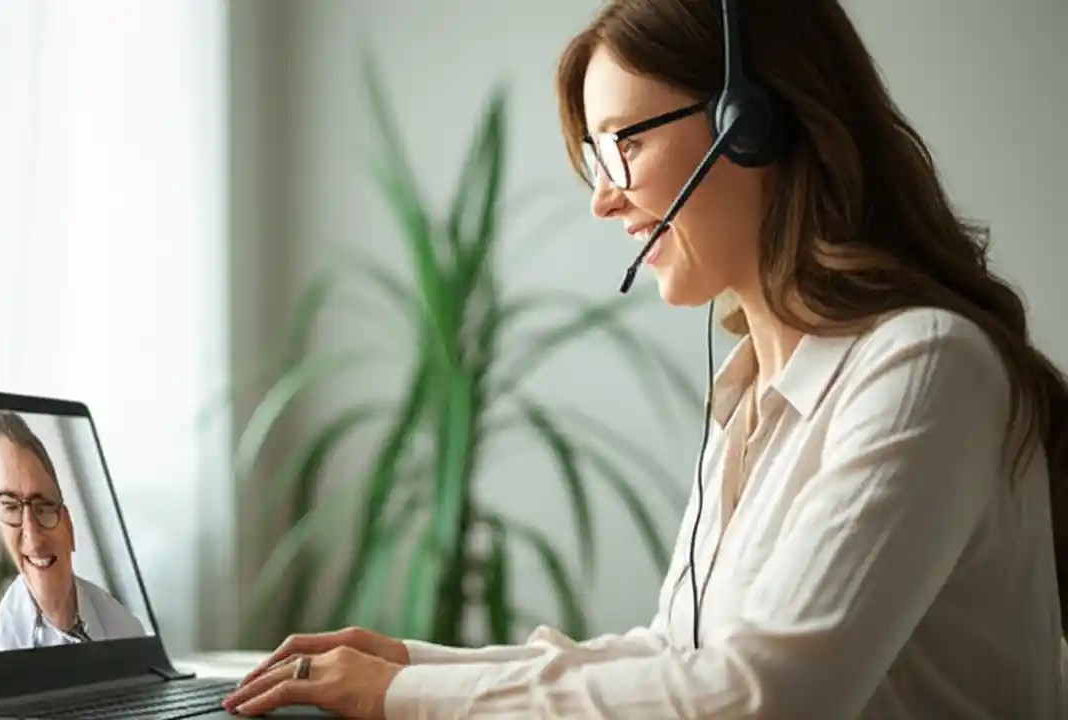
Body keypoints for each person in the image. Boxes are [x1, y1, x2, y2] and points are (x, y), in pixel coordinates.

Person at [222, 0, 1067, 718]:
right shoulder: (752, 390)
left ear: (750, 124)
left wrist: (404, 697)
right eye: (597, 155)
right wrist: (413, 664)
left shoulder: (923, 365)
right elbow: (678, 655)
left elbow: (765, 696)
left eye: (622, 141)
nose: (603, 197)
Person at [0, 410, 146, 650]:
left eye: (43, 507)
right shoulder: (7, 635)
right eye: (11, 507)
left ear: (68, 525)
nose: (33, 539)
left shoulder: (121, 624)